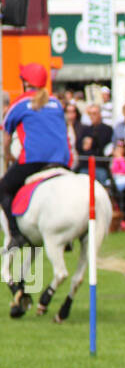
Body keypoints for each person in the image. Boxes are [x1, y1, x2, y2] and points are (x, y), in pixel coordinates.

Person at [0, 64, 71, 248]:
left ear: (25, 82)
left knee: (4, 188)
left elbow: (6, 137)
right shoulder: (56, 103)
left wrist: (8, 156)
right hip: (62, 159)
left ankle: (15, 234)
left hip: (34, 159)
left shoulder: (20, 103)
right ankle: (68, 235)